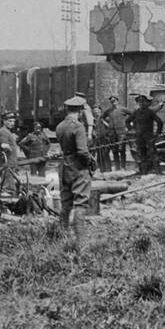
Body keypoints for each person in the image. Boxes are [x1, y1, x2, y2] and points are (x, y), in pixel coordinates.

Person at [55, 95, 96, 241]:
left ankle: (61, 237)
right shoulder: (78, 126)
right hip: (78, 167)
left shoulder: (60, 126)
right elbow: (82, 152)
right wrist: (91, 162)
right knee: (80, 203)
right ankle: (81, 240)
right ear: (80, 111)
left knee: (66, 204)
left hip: (64, 166)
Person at [127, 93, 164, 175]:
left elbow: (159, 122)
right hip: (139, 137)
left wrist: (157, 133)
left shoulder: (150, 112)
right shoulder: (136, 112)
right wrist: (132, 130)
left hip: (149, 137)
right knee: (142, 154)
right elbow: (127, 121)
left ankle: (158, 172)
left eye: (143, 102)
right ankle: (144, 172)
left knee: (153, 153)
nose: (141, 104)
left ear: (146, 103)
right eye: (140, 102)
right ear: (138, 103)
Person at [95, 95, 124, 173]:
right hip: (112, 134)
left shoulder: (122, 109)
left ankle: (123, 167)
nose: (113, 102)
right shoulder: (109, 111)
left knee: (121, 150)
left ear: (117, 101)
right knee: (114, 151)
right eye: (111, 101)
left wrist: (128, 125)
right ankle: (117, 167)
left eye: (114, 100)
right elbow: (102, 117)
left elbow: (131, 114)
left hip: (119, 133)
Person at [0, 112, 19, 194]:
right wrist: (10, 149)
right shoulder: (4, 132)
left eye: (13, 121)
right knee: (9, 188)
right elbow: (4, 145)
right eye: (10, 121)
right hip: (6, 164)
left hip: (10, 164)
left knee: (9, 185)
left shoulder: (7, 132)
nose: (12, 123)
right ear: (4, 121)